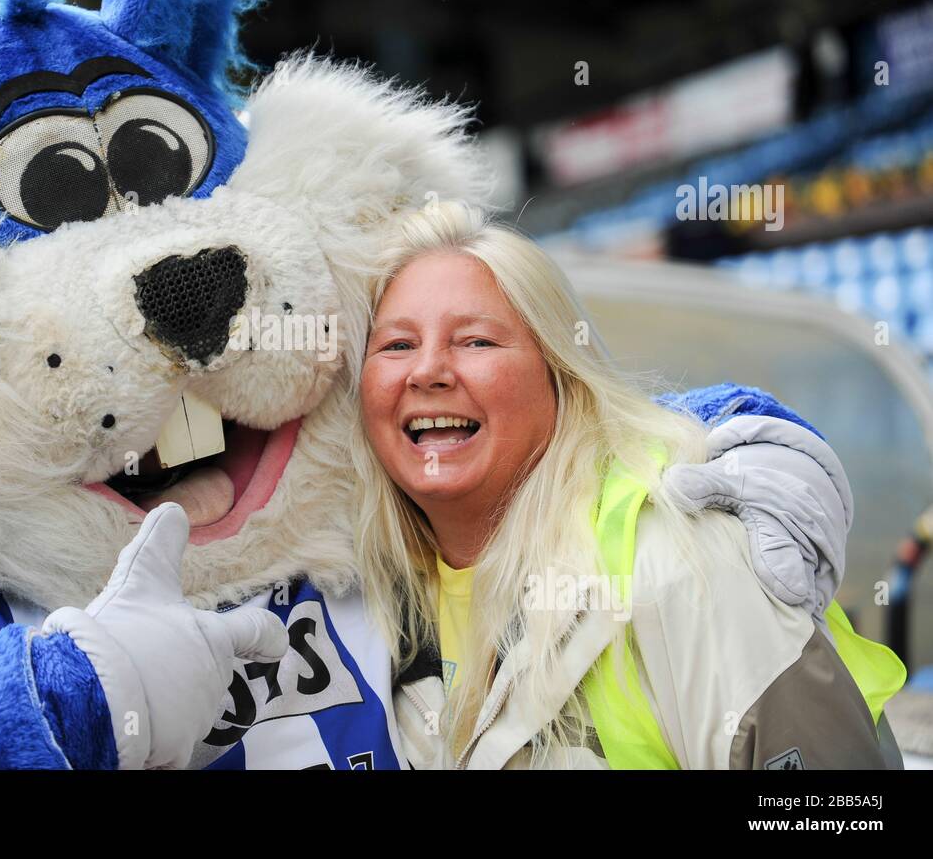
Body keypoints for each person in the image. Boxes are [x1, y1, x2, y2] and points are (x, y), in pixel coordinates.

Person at [355, 201, 906, 769]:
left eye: (476, 342)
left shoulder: (681, 558)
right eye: (397, 346)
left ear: (563, 375)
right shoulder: (356, 610)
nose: (427, 371)